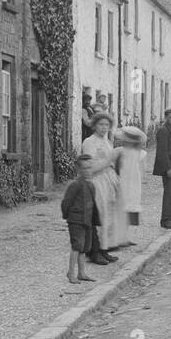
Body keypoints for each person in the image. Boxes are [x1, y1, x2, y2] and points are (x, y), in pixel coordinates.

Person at [80, 111, 120, 265]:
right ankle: (94, 251)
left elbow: (111, 162)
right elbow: (89, 167)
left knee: (109, 215)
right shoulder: (90, 142)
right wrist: (109, 161)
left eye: (107, 125)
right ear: (94, 125)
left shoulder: (106, 141)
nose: (104, 128)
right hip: (96, 181)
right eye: (101, 125)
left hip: (108, 180)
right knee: (98, 216)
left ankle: (104, 249)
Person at [61, 154, 98, 284]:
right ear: (79, 170)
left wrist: (94, 219)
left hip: (87, 220)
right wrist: (69, 217)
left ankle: (81, 273)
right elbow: (66, 203)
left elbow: (93, 204)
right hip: (76, 221)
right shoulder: (75, 185)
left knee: (84, 248)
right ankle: (71, 272)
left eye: (90, 168)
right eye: (85, 168)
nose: (88, 171)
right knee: (77, 246)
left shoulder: (91, 186)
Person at [114, 126, 146, 239]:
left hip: (133, 184)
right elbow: (113, 167)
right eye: (126, 141)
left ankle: (128, 235)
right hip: (121, 182)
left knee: (131, 207)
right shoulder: (118, 152)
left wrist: (140, 180)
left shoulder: (140, 153)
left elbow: (142, 170)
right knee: (121, 207)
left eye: (131, 141)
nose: (128, 143)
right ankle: (119, 235)